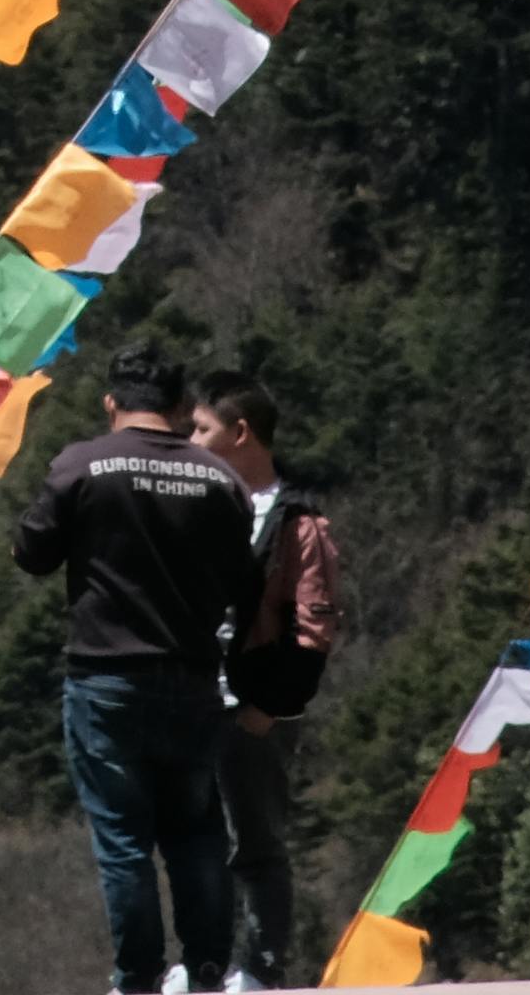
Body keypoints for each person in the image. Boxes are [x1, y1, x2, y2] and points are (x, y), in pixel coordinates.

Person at [12, 347, 261, 995]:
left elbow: (31, 552)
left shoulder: (81, 465)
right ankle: (207, 969)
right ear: (182, 410)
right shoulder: (218, 479)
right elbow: (245, 581)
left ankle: (139, 978)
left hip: (106, 680)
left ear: (111, 404)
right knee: (197, 831)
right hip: (194, 678)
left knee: (123, 840)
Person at [202, 376, 341, 994]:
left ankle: (260, 965)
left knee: (254, 841)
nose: (191, 441)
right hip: (188, 699)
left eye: (202, 429)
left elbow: (314, 629)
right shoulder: (197, 505)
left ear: (240, 433)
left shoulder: (299, 522)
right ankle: (202, 961)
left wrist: (268, 707)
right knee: (191, 842)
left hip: (252, 706)